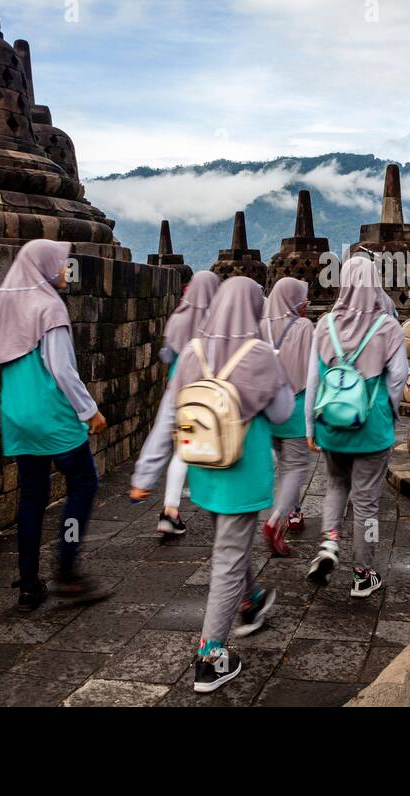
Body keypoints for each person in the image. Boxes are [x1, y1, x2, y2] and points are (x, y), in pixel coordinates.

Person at [132, 277, 294, 693]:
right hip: (244, 470)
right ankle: (210, 656)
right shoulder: (260, 354)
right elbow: (281, 413)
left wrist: (145, 475)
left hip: (204, 467)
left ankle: (252, 598)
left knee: (230, 544)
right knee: (227, 554)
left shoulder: (192, 352)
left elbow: (168, 416)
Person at [0, 239, 107, 612]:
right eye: (60, 264)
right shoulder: (49, 306)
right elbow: (61, 369)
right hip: (52, 415)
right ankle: (67, 570)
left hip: (18, 415)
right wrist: (89, 411)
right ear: (44, 266)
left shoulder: (6, 302)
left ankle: (28, 583)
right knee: (83, 485)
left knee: (33, 498)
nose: (65, 270)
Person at [305, 256, 409, 598]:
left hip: (332, 425)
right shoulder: (387, 327)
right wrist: (389, 413)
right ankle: (363, 574)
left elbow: (313, 381)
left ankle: (329, 544)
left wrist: (310, 426)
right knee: (367, 503)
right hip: (372, 427)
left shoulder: (324, 325)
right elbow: (398, 377)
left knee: (335, 485)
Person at [130, 270, 219, 537]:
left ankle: (144, 483)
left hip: (176, 384)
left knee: (164, 433)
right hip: (203, 390)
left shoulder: (179, 316)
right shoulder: (217, 320)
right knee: (189, 447)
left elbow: (166, 354)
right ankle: (177, 510)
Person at [259, 277, 315, 556]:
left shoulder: (261, 325)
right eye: (303, 299)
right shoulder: (304, 326)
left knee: (282, 463)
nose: (305, 305)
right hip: (295, 407)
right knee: (295, 468)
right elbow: (312, 369)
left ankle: (293, 511)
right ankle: (275, 518)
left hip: (268, 407)